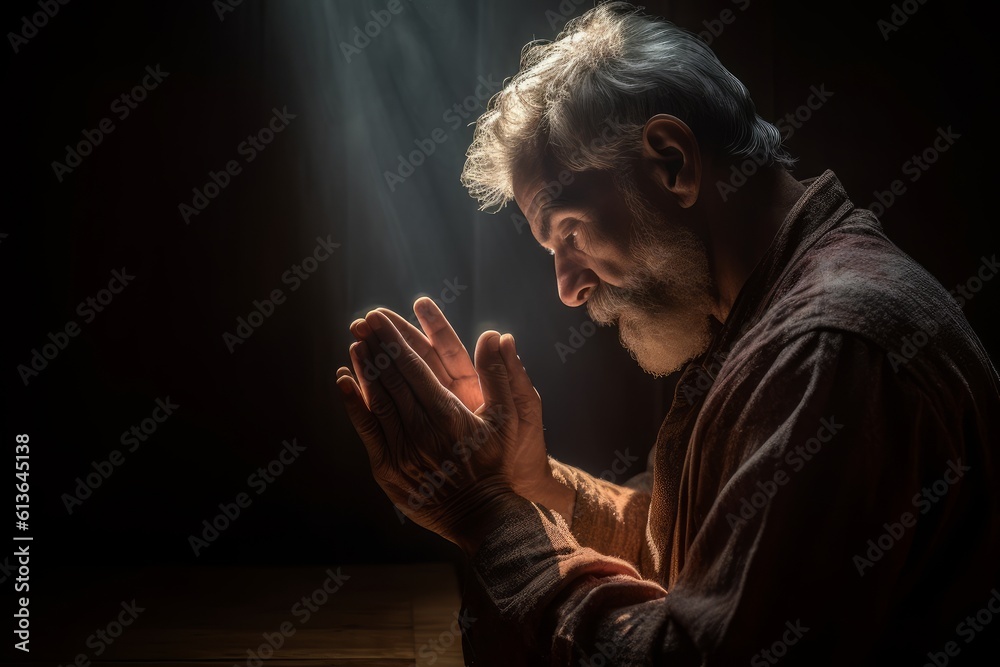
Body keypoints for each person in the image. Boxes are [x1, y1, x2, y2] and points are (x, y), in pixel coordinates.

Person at [337, 3, 1000, 664]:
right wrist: (532, 483)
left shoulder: (828, 348)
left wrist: (488, 513)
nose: (568, 287)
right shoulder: (775, 317)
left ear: (671, 161)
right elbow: (708, 556)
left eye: (568, 229)